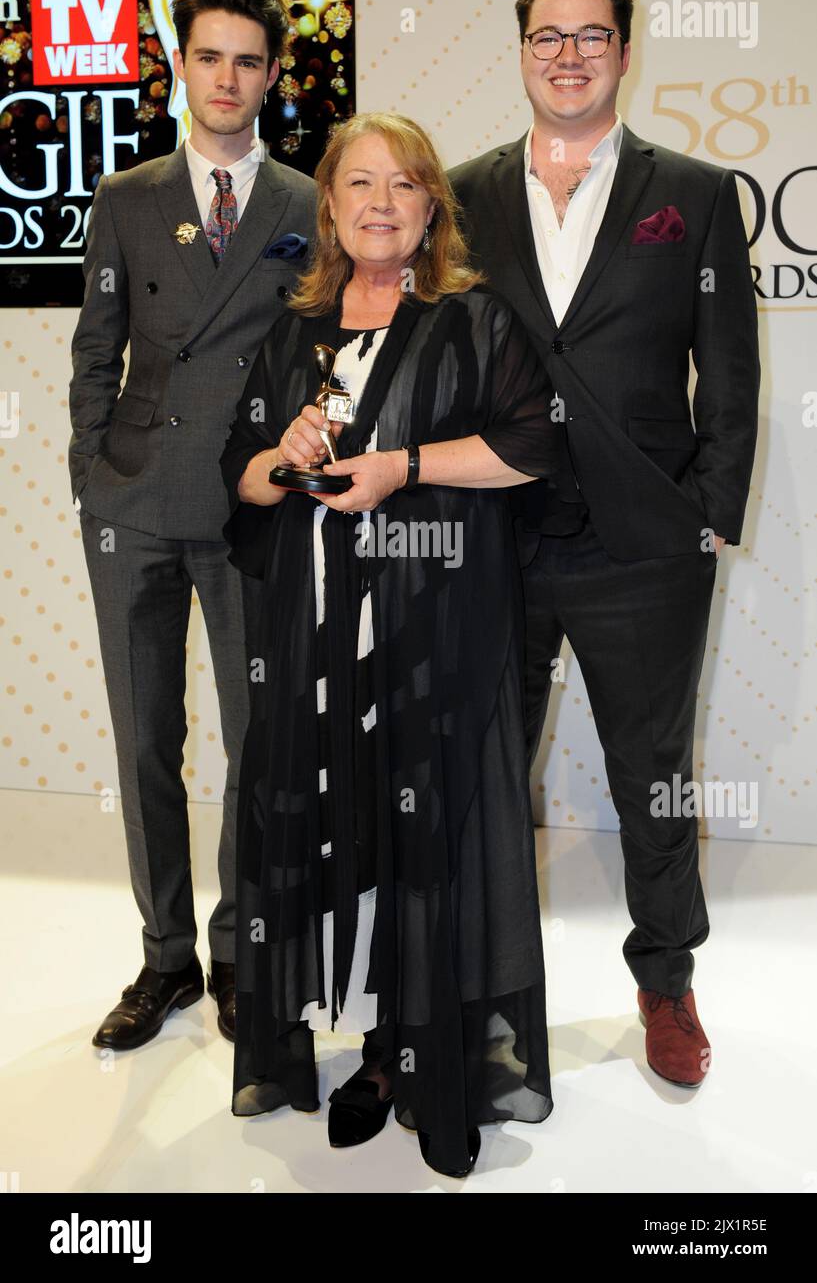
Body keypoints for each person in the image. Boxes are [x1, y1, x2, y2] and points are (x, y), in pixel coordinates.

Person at [219, 112, 560, 1177]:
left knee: (426, 831)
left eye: (403, 185)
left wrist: (400, 467)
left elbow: (529, 447)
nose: (380, 203)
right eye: (358, 184)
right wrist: (281, 456)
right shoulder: (293, 331)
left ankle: (410, 1046)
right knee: (345, 825)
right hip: (314, 629)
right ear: (327, 207)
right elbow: (241, 477)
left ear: (430, 208)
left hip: (432, 630)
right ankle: (365, 1028)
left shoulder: (472, 318)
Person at [448, 0, 759, 1089]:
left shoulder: (697, 193)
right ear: (521, 51)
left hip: (644, 540)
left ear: (624, 51)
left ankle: (665, 981)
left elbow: (729, 370)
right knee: (483, 769)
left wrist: (709, 510)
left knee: (652, 776)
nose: (568, 54)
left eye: (590, 35)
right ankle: (482, 986)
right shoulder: (462, 193)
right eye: (548, 35)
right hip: (497, 530)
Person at [68, 0, 317, 1052]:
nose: (226, 78)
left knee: (257, 744)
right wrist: (91, 472)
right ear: (179, 65)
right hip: (133, 501)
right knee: (144, 742)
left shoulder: (307, 202)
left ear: (273, 74)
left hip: (251, 506)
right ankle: (164, 957)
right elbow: (95, 350)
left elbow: (325, 352)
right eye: (207, 56)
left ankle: (240, 950)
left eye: (247, 61)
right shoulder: (126, 198)